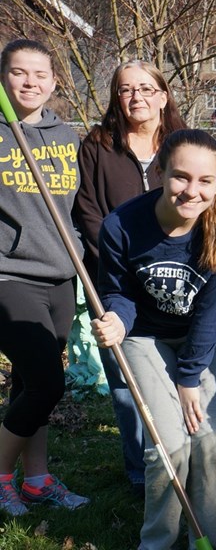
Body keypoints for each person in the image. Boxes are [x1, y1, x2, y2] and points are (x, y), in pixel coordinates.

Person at [92, 129, 216, 549]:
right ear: (160, 172)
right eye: (181, 177)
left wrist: (189, 378)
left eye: (204, 181)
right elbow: (119, 292)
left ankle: (210, 540)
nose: (191, 191)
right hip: (144, 338)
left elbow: (215, 313)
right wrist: (117, 322)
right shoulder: (121, 225)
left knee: (211, 442)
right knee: (168, 447)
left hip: (201, 339)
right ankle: (158, 541)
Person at [72, 59, 187, 496]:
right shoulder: (98, 147)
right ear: (116, 98)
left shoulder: (183, 143)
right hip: (116, 281)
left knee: (176, 376)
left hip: (175, 284)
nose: (135, 97)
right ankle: (140, 470)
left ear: (162, 95)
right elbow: (89, 213)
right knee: (125, 384)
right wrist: (129, 264)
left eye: (145, 88)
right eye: (125, 89)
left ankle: (179, 459)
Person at [0, 38, 89, 517]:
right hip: (8, 276)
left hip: (61, 275)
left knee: (29, 383)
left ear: (55, 82)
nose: (30, 82)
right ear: (3, 77)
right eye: (18, 72)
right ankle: (0, 478)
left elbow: (74, 206)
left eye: (40, 74)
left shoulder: (66, 136)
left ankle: (35, 480)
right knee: (47, 382)